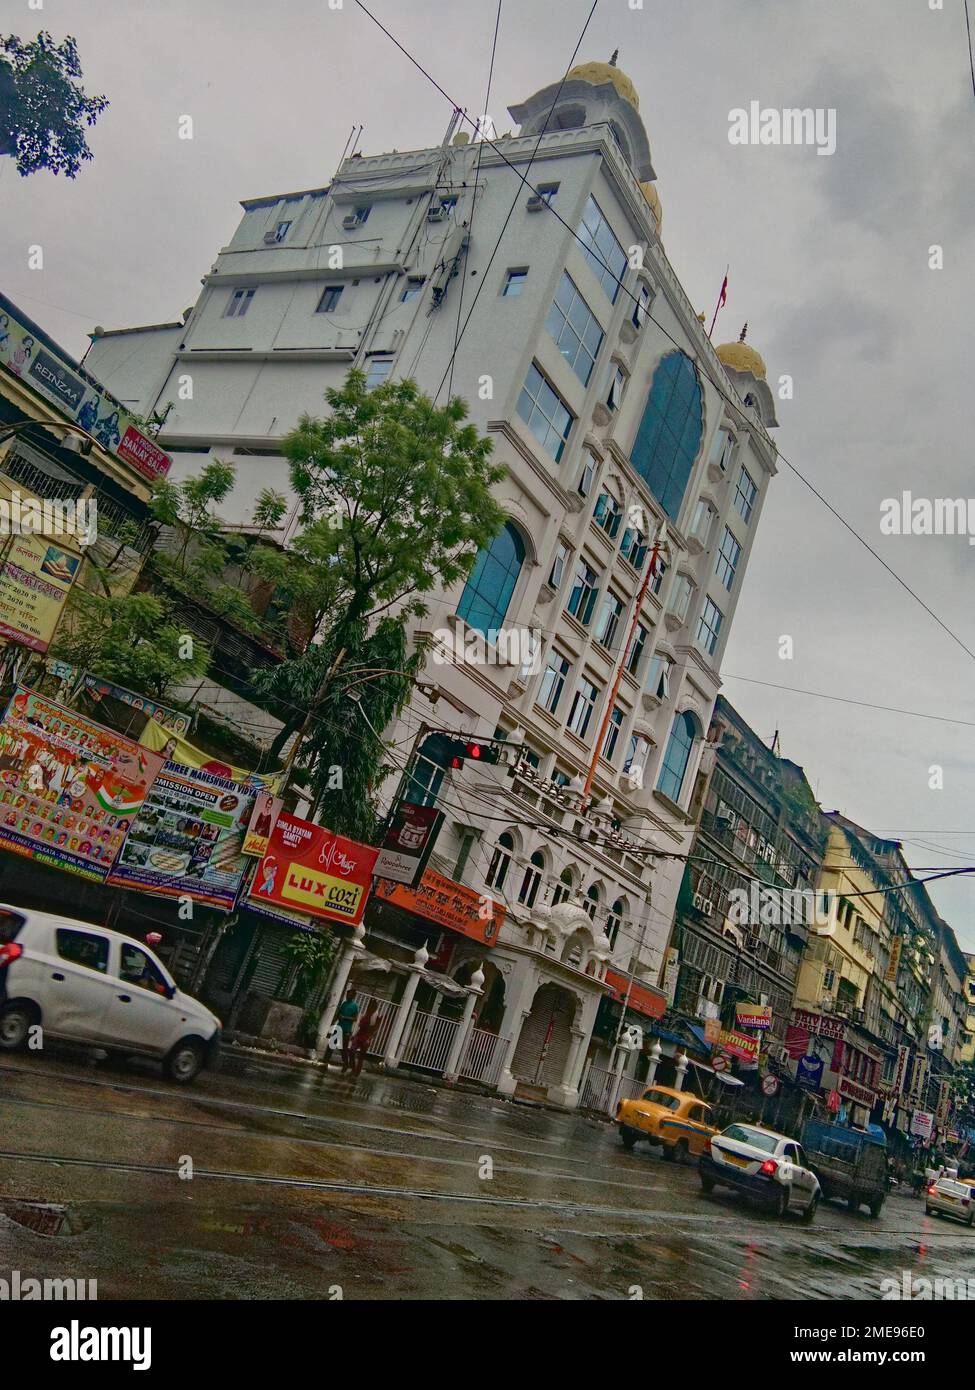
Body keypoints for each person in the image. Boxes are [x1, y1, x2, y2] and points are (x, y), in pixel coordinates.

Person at [349, 1003, 381, 1078]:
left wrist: (369, 1039)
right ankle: (353, 1069)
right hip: (359, 1036)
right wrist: (355, 1035)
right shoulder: (366, 1015)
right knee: (352, 1051)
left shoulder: (376, 1017)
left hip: (366, 1038)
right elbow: (360, 1026)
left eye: (371, 1007)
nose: (370, 1008)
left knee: (361, 1057)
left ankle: (356, 1073)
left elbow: (375, 1030)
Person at [336, 987, 360, 1072]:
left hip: (346, 1030)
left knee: (344, 1049)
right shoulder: (344, 1003)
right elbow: (339, 1013)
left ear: (353, 996)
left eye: (349, 995)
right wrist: (338, 1017)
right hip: (339, 1027)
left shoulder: (355, 1006)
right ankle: (325, 1062)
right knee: (331, 1045)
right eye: (347, 994)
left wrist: (345, 1017)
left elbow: (355, 1019)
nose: (347, 996)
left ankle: (346, 1064)